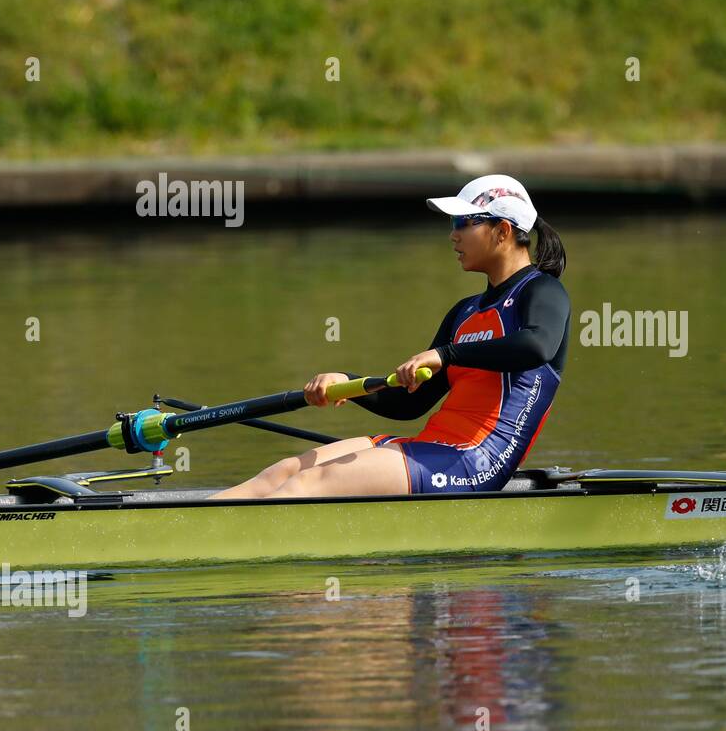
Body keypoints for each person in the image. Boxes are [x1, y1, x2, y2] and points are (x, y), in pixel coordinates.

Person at [213, 174, 569, 499]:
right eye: (452, 223)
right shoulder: (464, 312)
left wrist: (447, 355)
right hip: (433, 448)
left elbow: (538, 346)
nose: (453, 234)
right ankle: (179, 526)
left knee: (308, 485)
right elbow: (408, 404)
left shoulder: (542, 291)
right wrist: (347, 383)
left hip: (475, 460)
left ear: (503, 231)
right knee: (287, 471)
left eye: (463, 222)